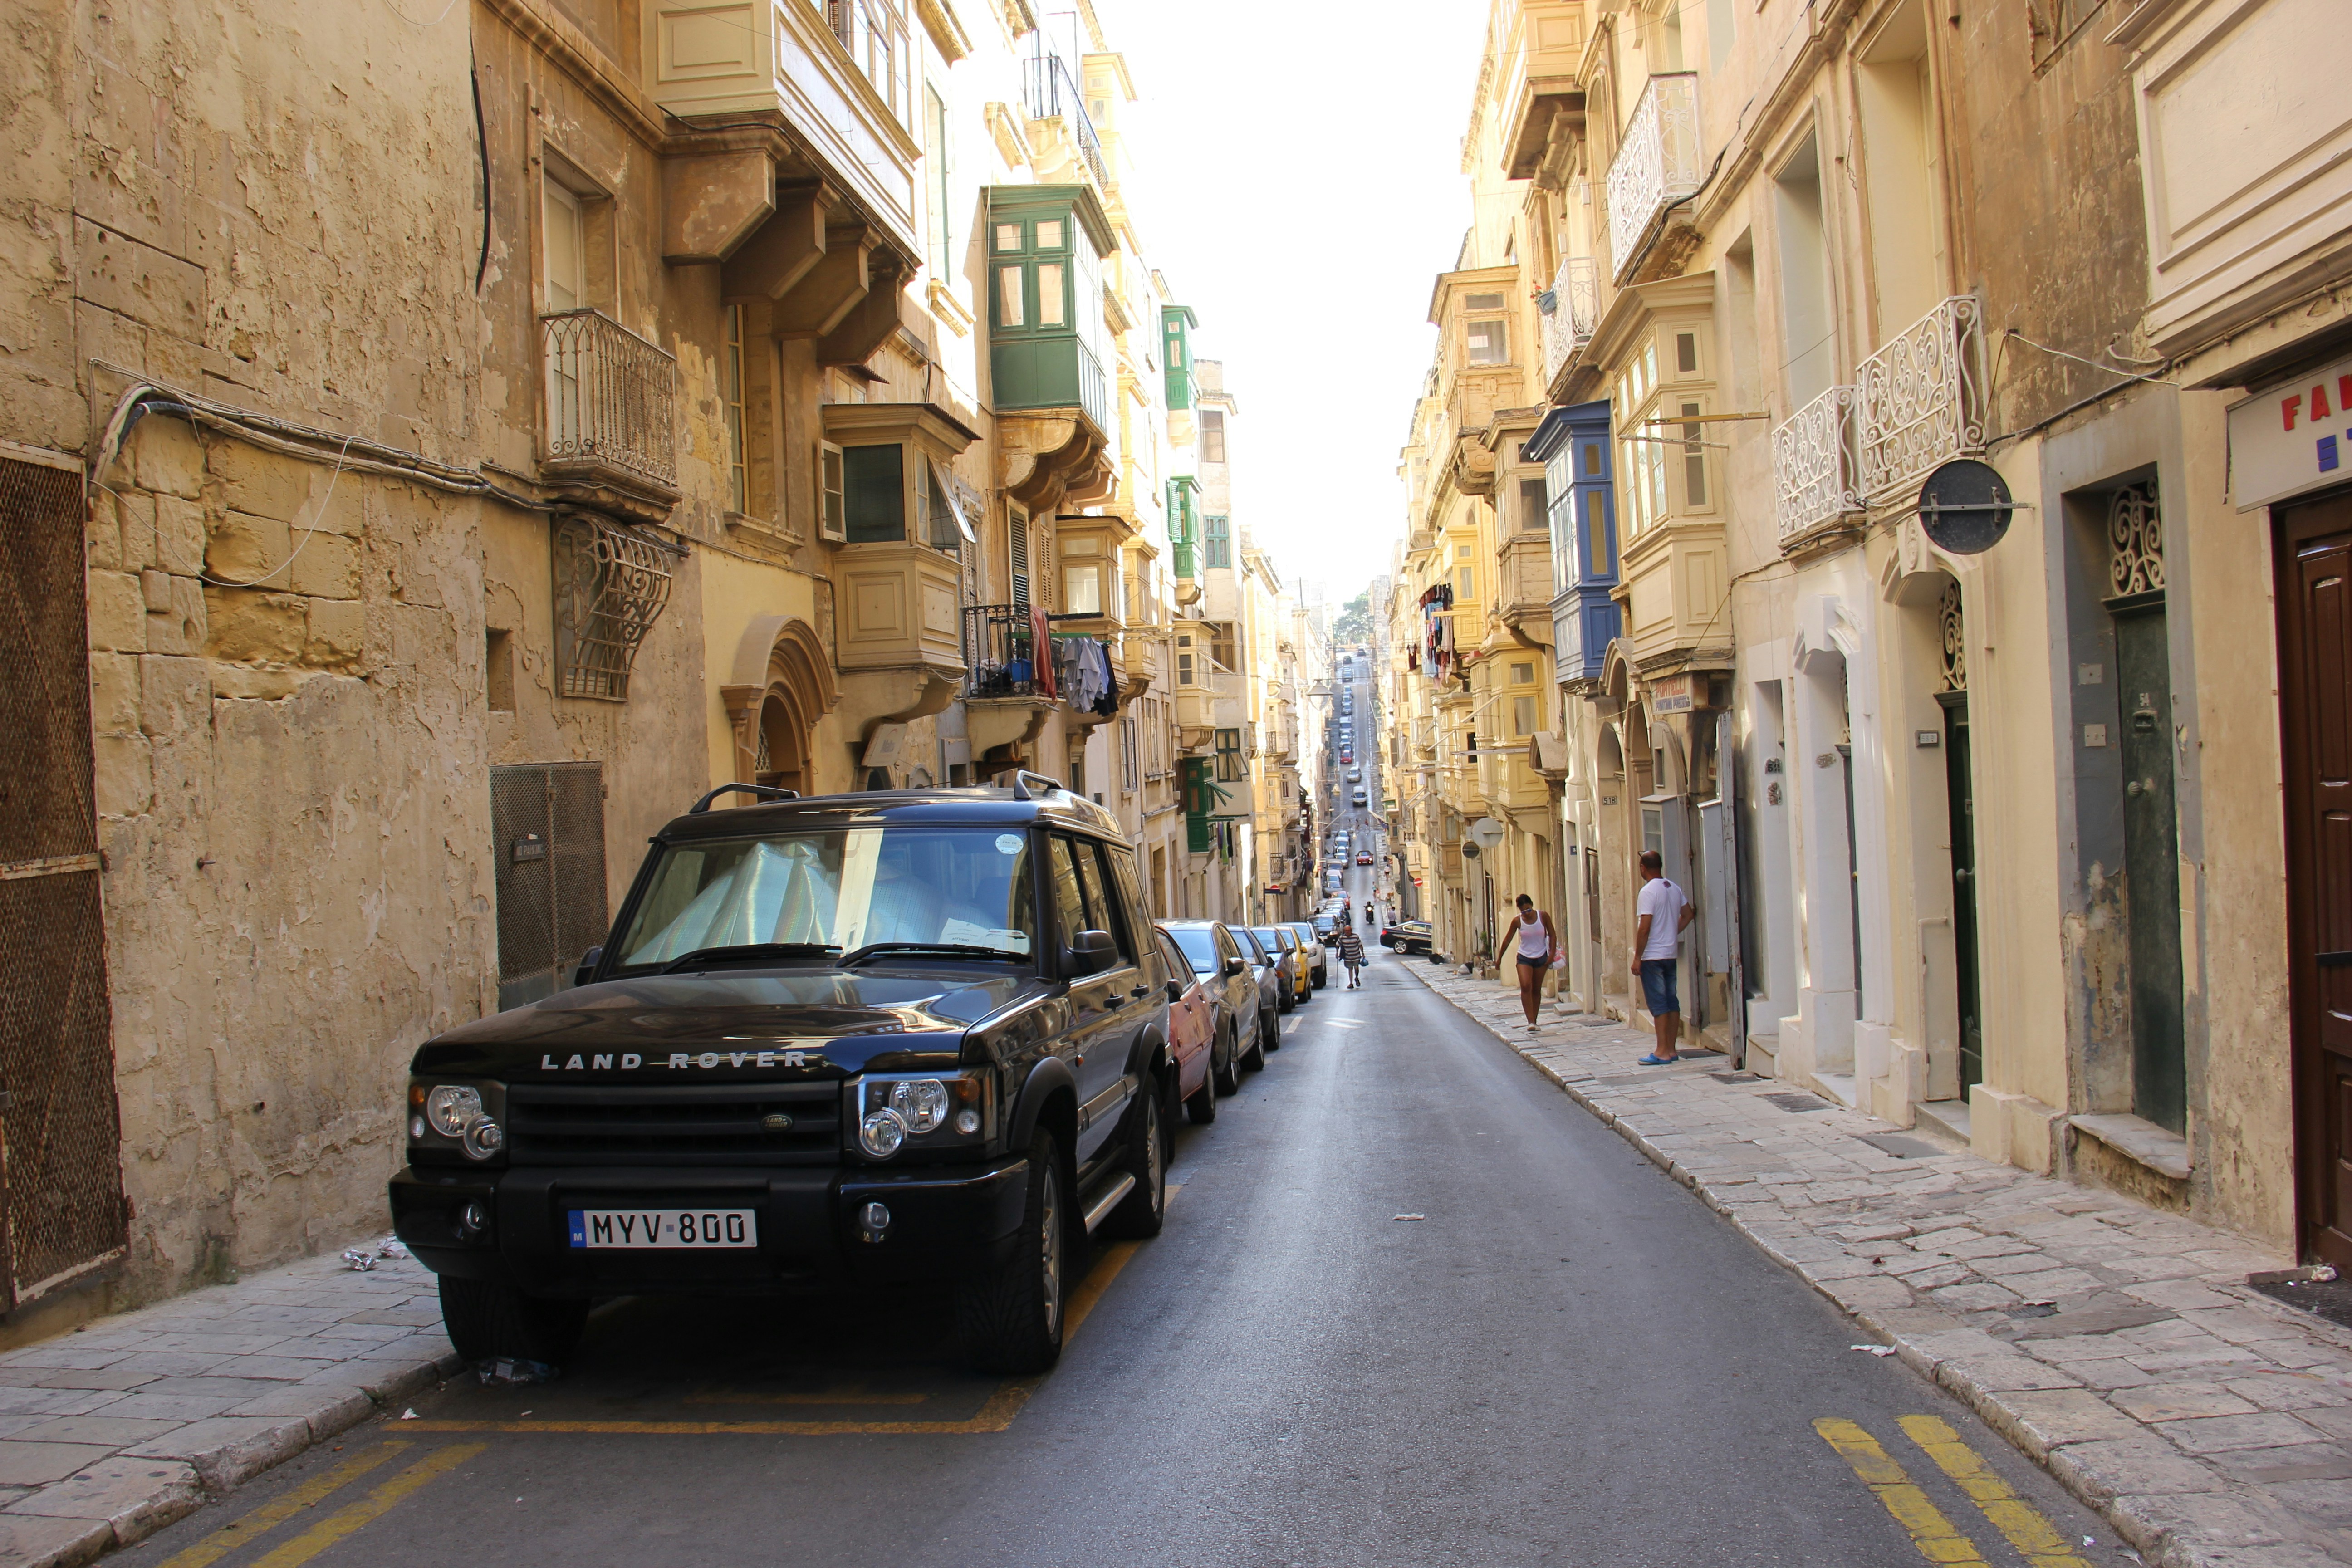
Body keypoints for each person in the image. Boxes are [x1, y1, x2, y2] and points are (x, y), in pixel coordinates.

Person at [1632, 849, 1696, 1064]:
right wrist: (1672, 931)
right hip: (1670, 953)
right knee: (1671, 1000)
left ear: (1643, 868)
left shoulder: (1648, 892)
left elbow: (1645, 928)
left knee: (1658, 1003)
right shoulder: (1673, 888)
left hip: (1653, 955)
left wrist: (1638, 957)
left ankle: (1661, 1050)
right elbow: (1689, 914)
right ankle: (1671, 1049)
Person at [1495, 893, 1559, 1034]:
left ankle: (1535, 1020)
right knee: (1526, 986)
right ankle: (1530, 1021)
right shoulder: (1517, 922)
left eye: (1529, 910)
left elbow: (1553, 934)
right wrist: (1499, 959)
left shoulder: (1543, 917)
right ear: (1519, 910)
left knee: (1536, 989)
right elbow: (1507, 940)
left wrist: (1552, 954)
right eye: (1524, 912)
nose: (1527, 914)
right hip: (1524, 957)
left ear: (1532, 905)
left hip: (1541, 956)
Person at [1335, 921, 1366, 987]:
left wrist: (1363, 953)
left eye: (1349, 930)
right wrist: (1337, 953)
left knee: (1356, 968)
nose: (1347, 932)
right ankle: (1351, 983)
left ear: (1351, 931)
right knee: (1350, 969)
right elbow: (1337, 945)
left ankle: (1357, 977)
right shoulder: (1342, 938)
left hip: (1356, 956)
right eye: (1346, 930)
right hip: (1348, 957)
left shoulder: (1355, 936)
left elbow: (1360, 945)